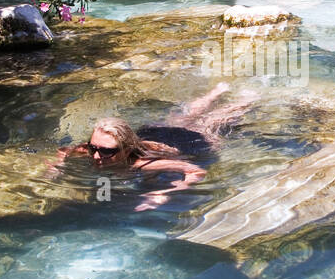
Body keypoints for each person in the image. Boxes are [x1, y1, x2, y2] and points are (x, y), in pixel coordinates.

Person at [54, 85, 254, 210]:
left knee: (212, 121)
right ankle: (216, 91)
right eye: (93, 148)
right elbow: (64, 151)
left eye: (107, 151)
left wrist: (162, 194)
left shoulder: (142, 164)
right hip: (153, 134)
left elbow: (195, 171)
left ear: (126, 150)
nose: (96, 156)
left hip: (187, 142)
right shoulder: (89, 150)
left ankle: (245, 100)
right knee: (181, 117)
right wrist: (55, 168)